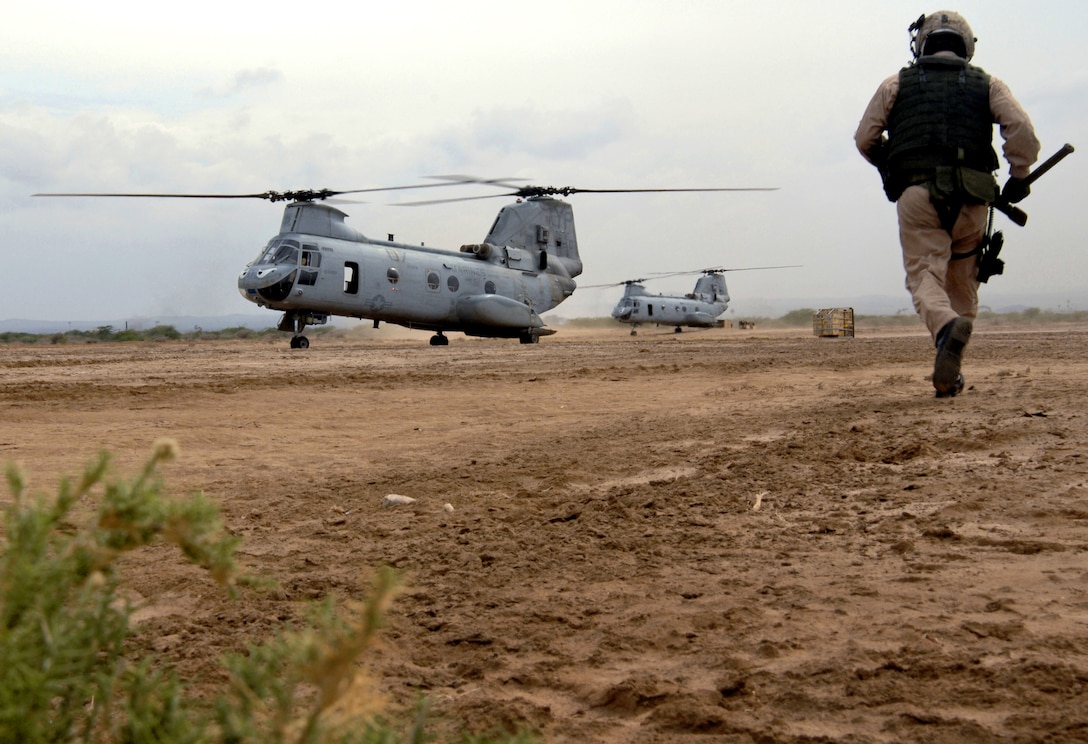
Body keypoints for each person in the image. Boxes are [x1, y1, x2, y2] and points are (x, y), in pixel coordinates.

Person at [855, 10, 1040, 397]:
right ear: (967, 46)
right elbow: (1021, 130)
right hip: (973, 199)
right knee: (962, 282)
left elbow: (865, 138)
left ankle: (944, 330)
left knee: (925, 275)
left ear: (921, 44)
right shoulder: (988, 84)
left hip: (918, 196)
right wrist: (1019, 175)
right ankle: (952, 365)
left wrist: (890, 165)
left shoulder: (896, 83)